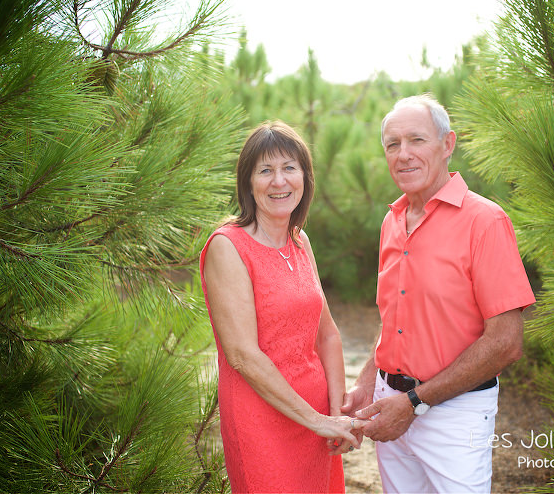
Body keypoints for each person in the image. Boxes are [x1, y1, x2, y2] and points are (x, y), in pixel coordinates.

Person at [342, 94, 536, 493]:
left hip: (454, 413)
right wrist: (368, 379)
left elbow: (506, 343)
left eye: (417, 140)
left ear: (447, 145)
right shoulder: (392, 221)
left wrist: (415, 403)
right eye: (392, 144)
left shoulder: (485, 221)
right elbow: (396, 320)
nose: (404, 154)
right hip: (390, 402)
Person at [199, 121, 364, 493]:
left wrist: (335, 414)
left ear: (304, 178)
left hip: (317, 413)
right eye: (265, 170)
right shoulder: (228, 246)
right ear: (248, 182)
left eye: (289, 168)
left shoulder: (300, 242)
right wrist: (316, 420)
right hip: (261, 418)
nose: (279, 181)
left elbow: (328, 335)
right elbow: (242, 354)